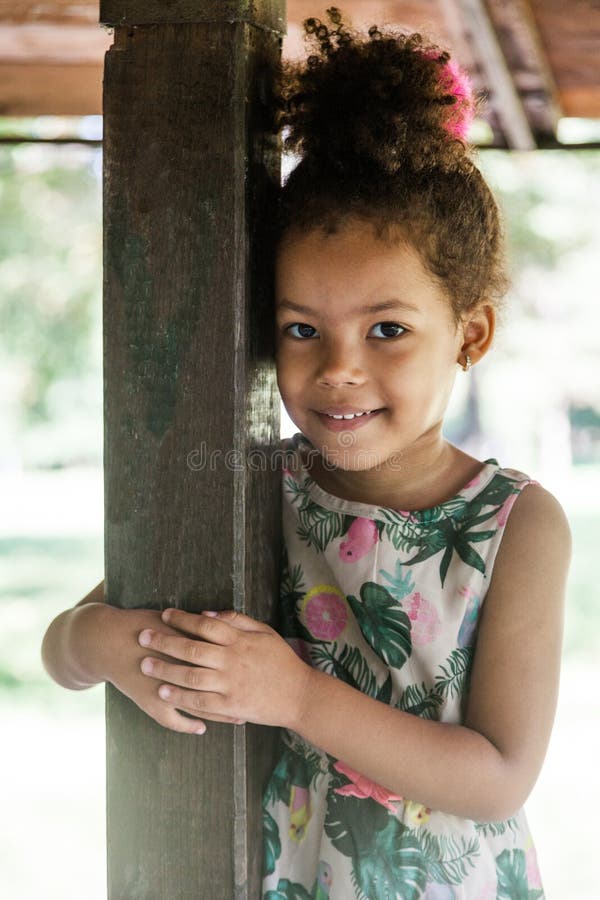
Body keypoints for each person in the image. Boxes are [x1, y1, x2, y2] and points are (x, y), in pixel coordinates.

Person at [42, 9, 571, 898]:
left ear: (470, 335)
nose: (338, 369)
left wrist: (291, 697)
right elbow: (62, 649)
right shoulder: (259, 485)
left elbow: (498, 777)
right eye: (301, 329)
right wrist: (100, 643)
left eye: (389, 329)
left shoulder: (515, 524)